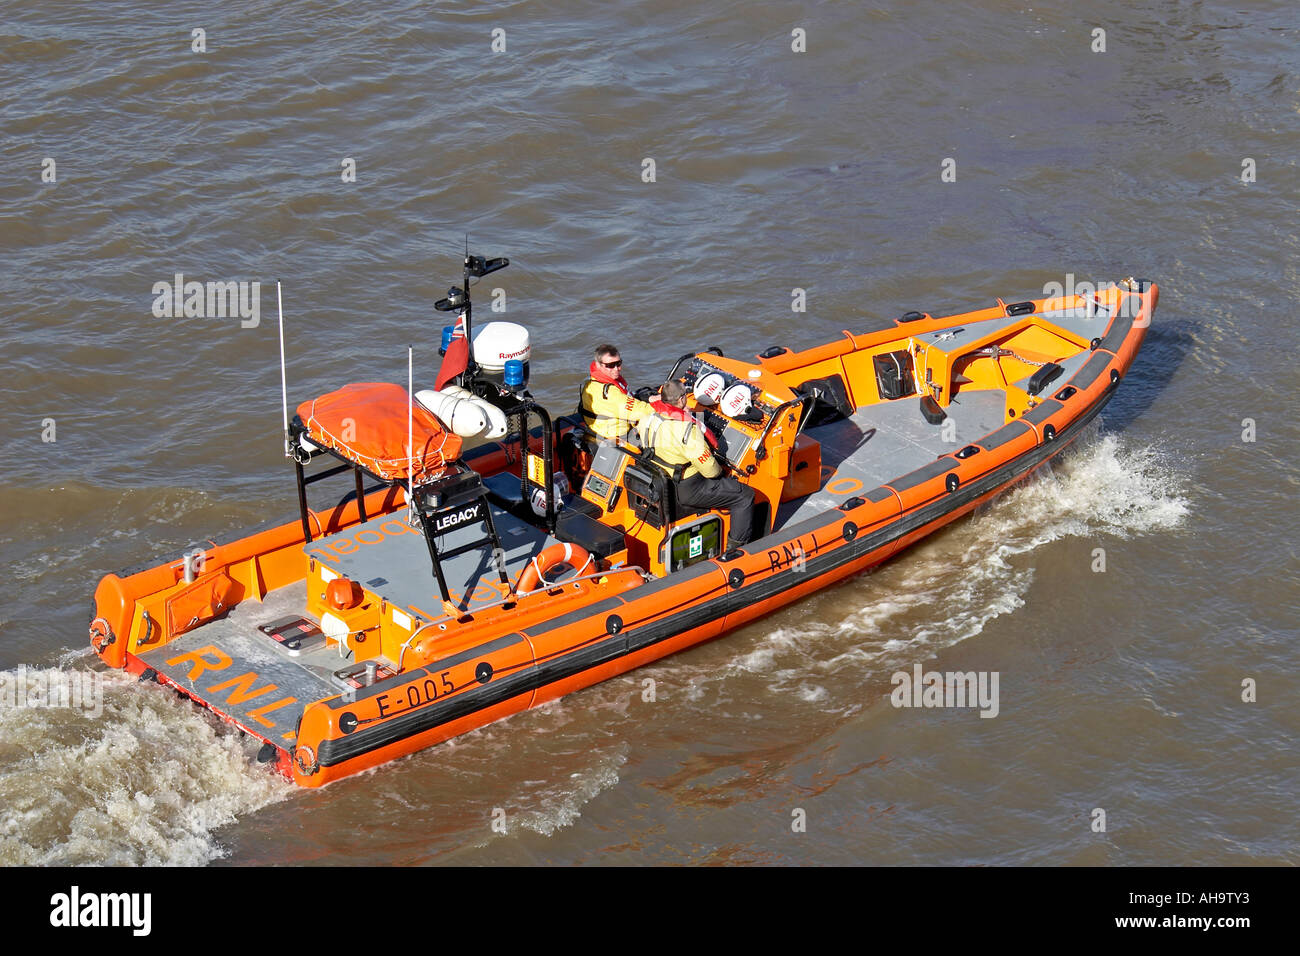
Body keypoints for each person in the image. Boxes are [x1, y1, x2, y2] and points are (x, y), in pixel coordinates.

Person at [643, 380, 755, 549]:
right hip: (689, 488)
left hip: (662, 478)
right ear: (681, 400)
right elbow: (711, 471)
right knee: (744, 496)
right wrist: (723, 475)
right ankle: (736, 550)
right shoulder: (687, 429)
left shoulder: (649, 418)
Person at [578, 344, 655, 442]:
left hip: (598, 430)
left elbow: (624, 400)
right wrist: (667, 406)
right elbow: (640, 412)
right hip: (617, 437)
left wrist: (649, 398)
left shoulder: (590, 382)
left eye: (618, 363)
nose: (617, 369)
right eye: (610, 365)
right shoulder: (610, 393)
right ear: (598, 365)